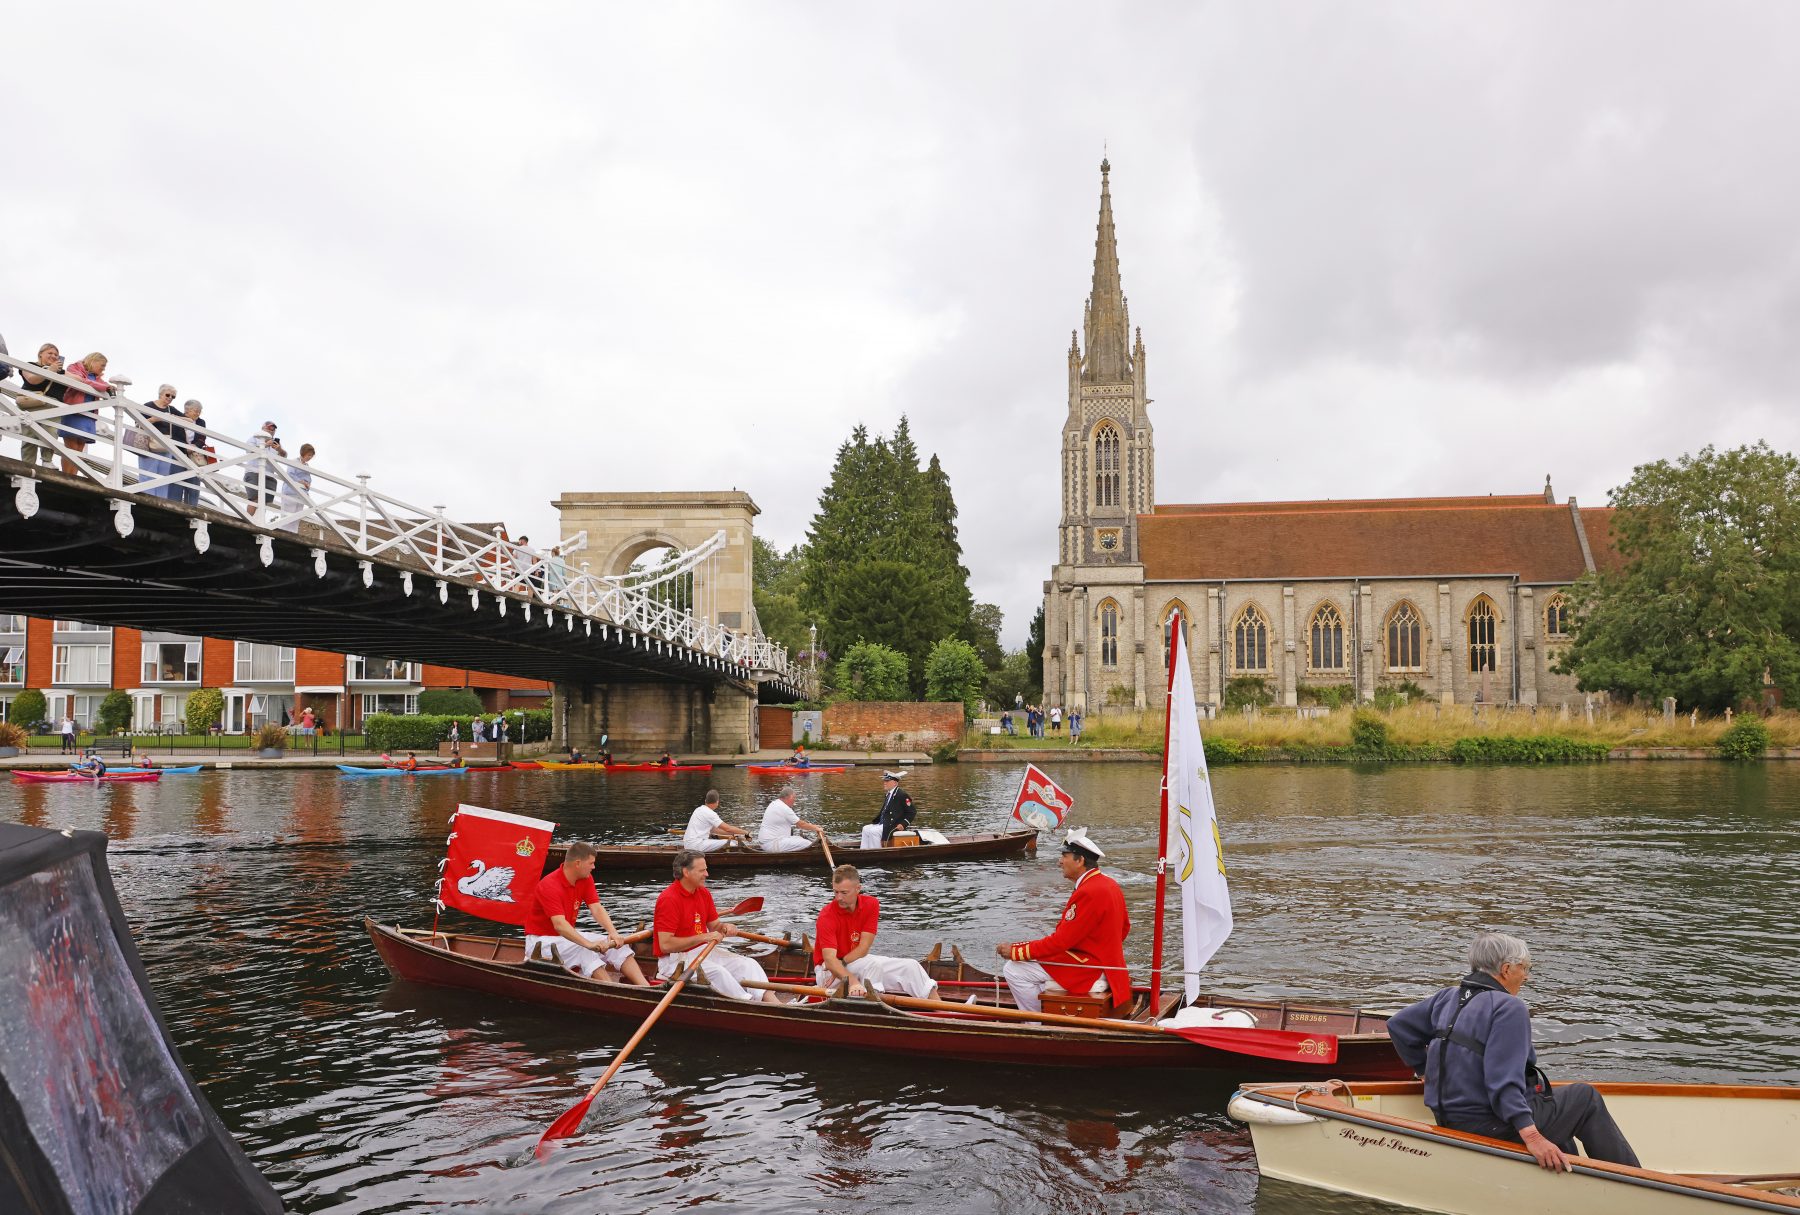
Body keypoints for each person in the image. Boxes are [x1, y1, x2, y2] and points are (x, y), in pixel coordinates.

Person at [1386, 932, 1640, 1171]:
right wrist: (1531, 1136)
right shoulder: (1509, 1007)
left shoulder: (1447, 996)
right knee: (1585, 1097)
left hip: (1450, 1118)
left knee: (1552, 1104)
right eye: (1524, 967)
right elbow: (1503, 1081)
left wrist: (1421, 1069)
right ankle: (1634, 1181)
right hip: (1492, 1125)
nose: (1526, 976)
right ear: (1506, 969)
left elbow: (1398, 1026)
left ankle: (1567, 1168)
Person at [996, 828, 1131, 1014]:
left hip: (1088, 969)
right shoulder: (1109, 884)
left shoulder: (1088, 891)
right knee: (1036, 961)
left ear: (1080, 860)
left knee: (1014, 969)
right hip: (1108, 966)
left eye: (1064, 856)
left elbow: (1061, 941)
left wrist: (1016, 951)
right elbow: (1124, 929)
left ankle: (1037, 1022)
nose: (1060, 862)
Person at [654, 850, 780, 1001]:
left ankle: (777, 1005)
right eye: (702, 870)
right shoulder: (669, 899)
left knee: (748, 964)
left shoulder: (703, 893)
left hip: (703, 951)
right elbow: (666, 945)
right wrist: (704, 936)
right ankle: (749, 1003)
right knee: (719, 973)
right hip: (675, 960)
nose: (707, 874)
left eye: (706, 869)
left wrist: (726, 927)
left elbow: (715, 926)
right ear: (686, 872)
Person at [523, 841, 648, 985]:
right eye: (591, 863)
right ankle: (613, 990)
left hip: (563, 939)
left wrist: (613, 932)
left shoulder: (585, 878)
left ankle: (646, 988)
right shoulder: (549, 885)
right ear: (578, 863)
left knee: (616, 946)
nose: (594, 867)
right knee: (584, 950)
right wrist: (588, 944)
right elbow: (560, 925)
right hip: (541, 941)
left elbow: (596, 908)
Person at [814, 865, 938, 999]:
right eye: (835, 892)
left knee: (910, 966)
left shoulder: (871, 904)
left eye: (844, 893)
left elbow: (863, 949)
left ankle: (946, 1013)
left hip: (850, 962)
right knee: (873, 965)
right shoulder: (827, 915)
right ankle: (872, 1007)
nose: (838, 898)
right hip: (827, 972)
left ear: (858, 889)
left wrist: (842, 963)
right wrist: (853, 983)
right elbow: (830, 961)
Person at [60, 352, 114, 474]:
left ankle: (72, 476)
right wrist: (104, 387)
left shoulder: (97, 377)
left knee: (80, 448)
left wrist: (108, 387)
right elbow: (83, 382)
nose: (103, 368)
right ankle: (66, 475)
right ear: (93, 361)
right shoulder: (74, 368)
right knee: (71, 447)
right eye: (102, 365)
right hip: (75, 412)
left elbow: (102, 385)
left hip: (89, 416)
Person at [17, 344, 66, 469]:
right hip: (32, 403)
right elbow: (32, 380)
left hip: (52, 406)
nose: (53, 356)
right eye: (50, 353)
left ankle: (46, 460)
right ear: (40, 354)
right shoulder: (30, 365)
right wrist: (50, 370)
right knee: (29, 435)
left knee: (51, 432)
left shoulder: (61, 372)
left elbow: (78, 379)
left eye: (56, 354)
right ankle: (27, 465)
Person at [758, 786, 825, 852]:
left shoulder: (775, 803)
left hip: (767, 843)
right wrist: (816, 828)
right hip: (772, 844)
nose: (794, 801)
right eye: (794, 798)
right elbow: (800, 824)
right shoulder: (784, 808)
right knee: (807, 844)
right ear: (787, 797)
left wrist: (815, 827)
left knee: (799, 838)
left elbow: (799, 824)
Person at [861, 770, 915, 849]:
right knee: (865, 829)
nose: (884, 782)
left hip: (893, 825)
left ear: (895, 783)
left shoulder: (902, 794)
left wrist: (903, 824)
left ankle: (876, 854)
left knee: (873, 832)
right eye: (884, 780)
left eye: (887, 781)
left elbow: (912, 812)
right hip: (884, 822)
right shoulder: (889, 793)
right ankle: (863, 851)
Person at [683, 790, 749, 853]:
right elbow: (728, 828)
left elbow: (714, 830)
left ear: (705, 801)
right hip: (697, 845)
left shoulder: (698, 809)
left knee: (730, 842)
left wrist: (734, 834)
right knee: (733, 843)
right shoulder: (710, 813)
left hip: (687, 844)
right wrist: (745, 832)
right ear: (717, 802)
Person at [242, 421, 285, 517]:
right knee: (255, 498)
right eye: (269, 428)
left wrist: (280, 450)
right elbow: (248, 450)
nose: (271, 430)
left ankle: (258, 523)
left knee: (265, 501)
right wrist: (264, 444)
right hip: (254, 472)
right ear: (263, 428)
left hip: (269, 474)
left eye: (273, 429)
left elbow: (284, 456)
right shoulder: (254, 438)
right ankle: (247, 521)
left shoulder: (275, 444)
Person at [278, 442, 314, 533]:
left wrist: (307, 484)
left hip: (301, 494)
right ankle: (284, 532)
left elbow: (308, 479)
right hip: (291, 492)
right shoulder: (294, 462)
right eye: (309, 455)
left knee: (297, 515)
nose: (310, 457)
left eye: (311, 456)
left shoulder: (307, 466)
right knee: (288, 514)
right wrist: (300, 481)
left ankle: (293, 533)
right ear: (303, 453)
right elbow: (290, 474)